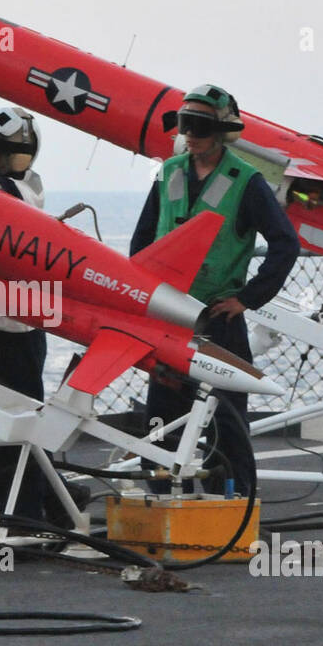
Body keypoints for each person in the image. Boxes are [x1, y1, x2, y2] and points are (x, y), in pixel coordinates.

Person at [130, 84, 299, 496]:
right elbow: (142, 241)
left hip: (218, 319)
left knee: (228, 419)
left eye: (200, 128)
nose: (191, 136)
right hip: (170, 317)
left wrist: (247, 299)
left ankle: (235, 502)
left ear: (222, 131)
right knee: (163, 418)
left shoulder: (247, 181)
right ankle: (163, 504)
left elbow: (285, 243)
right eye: (186, 126)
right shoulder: (169, 173)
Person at [0, 106, 75, 529]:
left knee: (14, 424)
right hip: (10, 322)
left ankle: (26, 514)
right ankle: (40, 507)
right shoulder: (23, 189)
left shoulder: (5, 192)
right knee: (17, 421)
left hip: (11, 325)